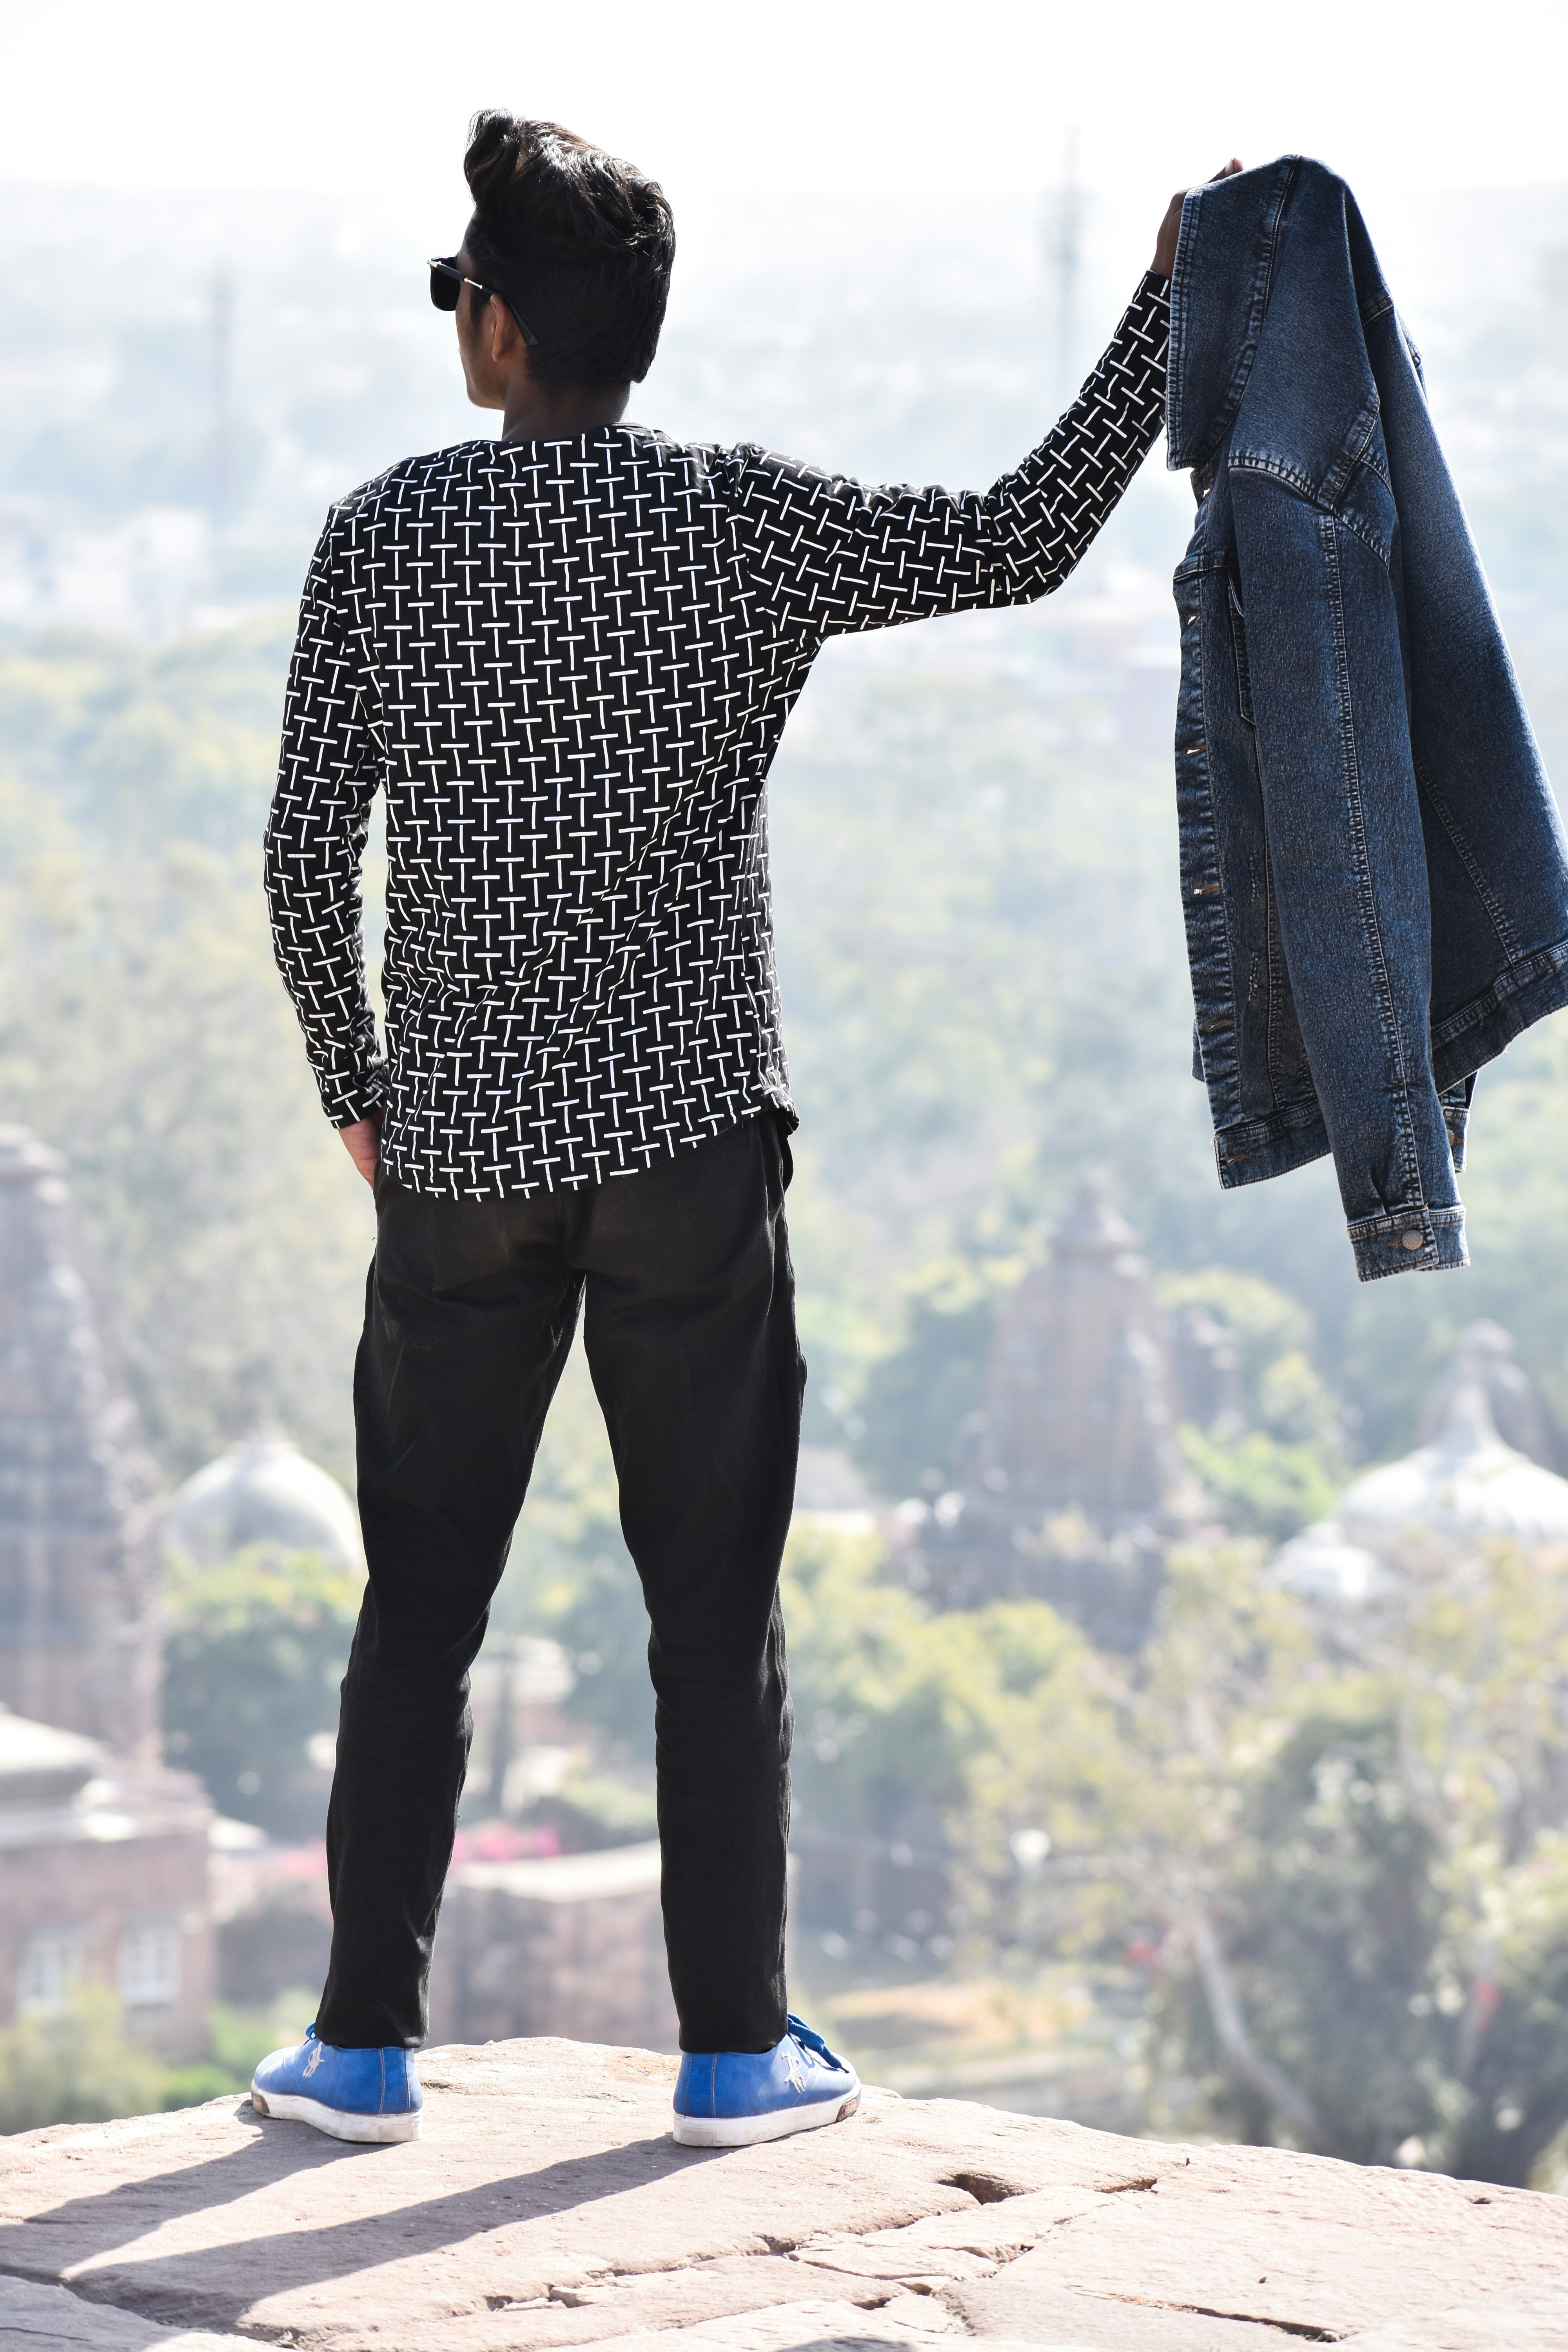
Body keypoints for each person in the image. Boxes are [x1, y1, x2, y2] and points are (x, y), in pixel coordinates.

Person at [251, 113, 1232, 2149]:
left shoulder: (379, 536)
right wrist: (1162, 316)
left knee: (421, 1604)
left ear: (496, 328)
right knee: (711, 1611)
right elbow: (1018, 540)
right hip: (691, 1146)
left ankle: (360, 2046)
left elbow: (299, 854)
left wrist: (360, 1092)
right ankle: (732, 2052)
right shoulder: (736, 523)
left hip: (456, 1160)